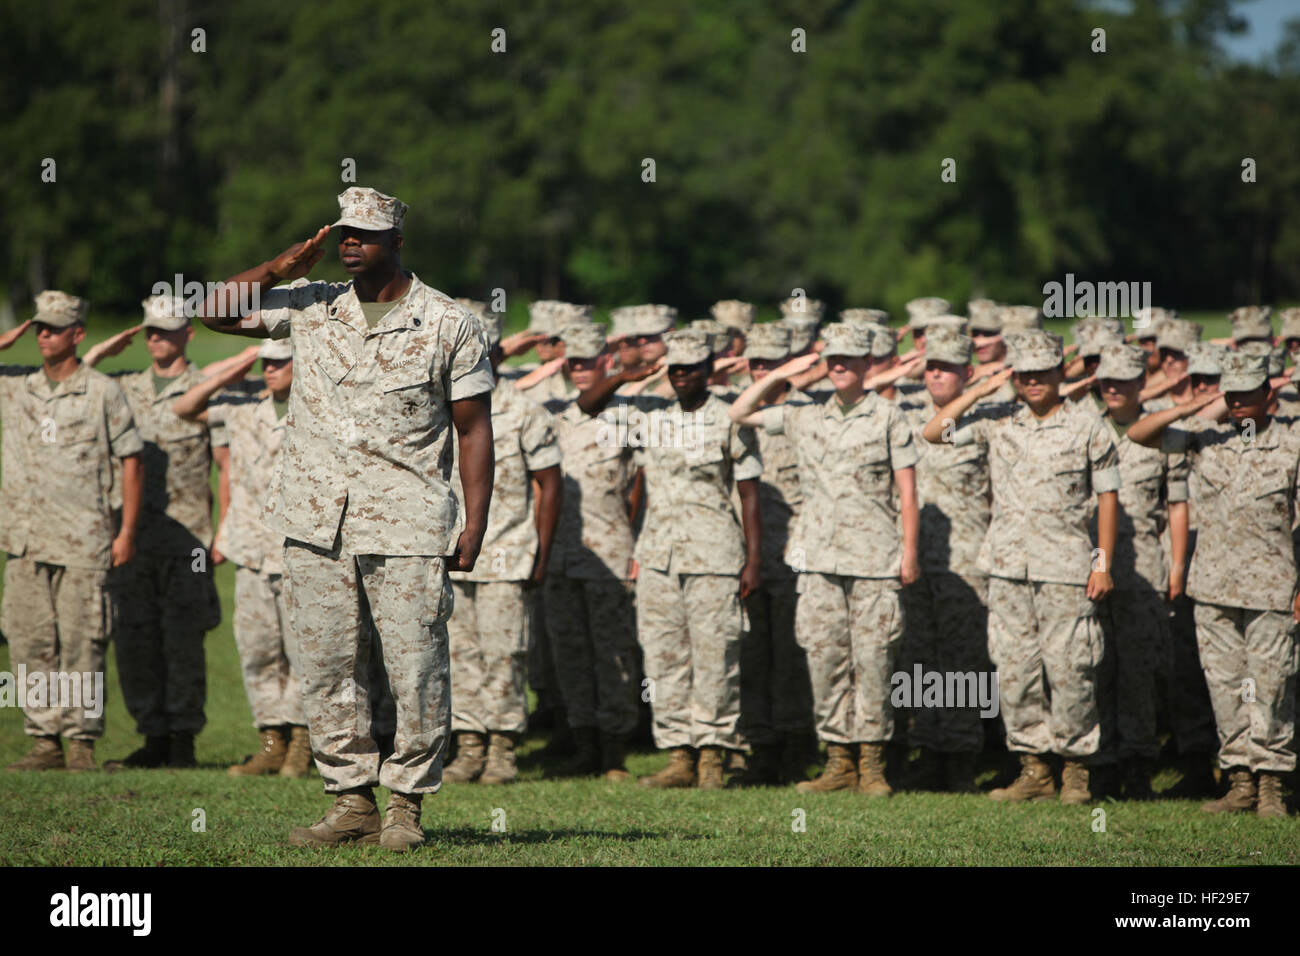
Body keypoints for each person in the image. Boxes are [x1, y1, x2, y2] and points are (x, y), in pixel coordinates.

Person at [195, 186, 495, 851]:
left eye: (365, 233)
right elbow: (209, 313)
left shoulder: (448, 323)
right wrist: (277, 270)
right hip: (316, 522)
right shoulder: (310, 304)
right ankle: (350, 802)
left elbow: (474, 430)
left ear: (396, 242)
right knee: (328, 666)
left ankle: (406, 808)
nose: (351, 243)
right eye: (343, 235)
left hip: (408, 523)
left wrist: (475, 522)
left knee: (416, 667)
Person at [922, 329, 1119, 805]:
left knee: (1071, 669)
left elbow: (1108, 499)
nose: (1032, 382)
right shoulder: (997, 420)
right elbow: (933, 433)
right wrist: (979, 391)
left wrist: (1102, 564)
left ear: (1059, 373)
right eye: (1023, 374)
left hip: (1065, 567)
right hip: (1008, 567)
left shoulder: (1088, 427)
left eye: (1041, 373)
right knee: (1014, 671)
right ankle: (1033, 769)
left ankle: (1075, 770)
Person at [731, 323, 920, 797]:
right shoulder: (804, 416)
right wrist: (790, 372)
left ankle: (872, 764)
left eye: (847, 361)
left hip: (875, 558)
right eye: (831, 361)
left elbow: (908, 490)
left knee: (874, 661)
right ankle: (838, 762)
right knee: (825, 659)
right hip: (817, 560)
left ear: (866, 365)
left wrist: (909, 551)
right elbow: (740, 411)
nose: (838, 368)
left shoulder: (888, 417)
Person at [578, 327, 762, 789]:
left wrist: (753, 559)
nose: (681, 377)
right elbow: (587, 407)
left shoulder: (729, 416)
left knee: (716, 654)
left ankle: (714, 756)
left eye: (690, 369)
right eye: (675, 369)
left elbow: (749, 491)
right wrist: (626, 374)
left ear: (708, 371)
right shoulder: (648, 413)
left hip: (715, 554)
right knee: (664, 658)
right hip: (658, 555)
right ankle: (679, 755)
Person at [1128, 350, 1300, 817]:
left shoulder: (1292, 440)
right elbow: (1138, 434)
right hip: (1214, 589)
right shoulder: (1205, 437)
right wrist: (1192, 407)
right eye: (1233, 393)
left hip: (1273, 587)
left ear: (1270, 393)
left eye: (1249, 393)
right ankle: (1239, 780)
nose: (1240, 402)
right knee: (1226, 688)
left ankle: (1272, 786)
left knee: (1271, 685)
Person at [0, 293, 143, 772]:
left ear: (78, 334)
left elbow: (131, 460)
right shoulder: (15, 389)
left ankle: (80, 740)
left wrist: (126, 532)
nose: (44, 335)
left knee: (84, 642)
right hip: (24, 541)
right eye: (39, 327)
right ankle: (45, 740)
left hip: (84, 539)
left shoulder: (102, 391)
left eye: (55, 328)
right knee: (29, 641)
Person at [86, 295, 222, 769]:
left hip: (190, 540)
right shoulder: (123, 387)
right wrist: (106, 348)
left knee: (183, 639)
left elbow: (225, 465)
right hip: (133, 536)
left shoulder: (205, 387)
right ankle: (152, 736)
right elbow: (77, 373)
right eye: (149, 332)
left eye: (166, 330)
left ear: (188, 333)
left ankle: (183, 739)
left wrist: (221, 534)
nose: (156, 339)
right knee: (135, 638)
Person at [171, 339, 312, 778]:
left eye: (280, 362)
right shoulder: (241, 401)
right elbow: (184, 406)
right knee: (257, 649)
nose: (270, 369)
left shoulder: (318, 401)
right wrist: (240, 363)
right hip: (251, 545)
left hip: (303, 546)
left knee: (305, 651)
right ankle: (271, 741)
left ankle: (303, 742)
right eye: (265, 362)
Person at [443, 305, 562, 786]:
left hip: (507, 551)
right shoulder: (442, 406)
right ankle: (469, 746)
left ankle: (503, 749)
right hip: (450, 553)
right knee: (460, 654)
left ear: (493, 352)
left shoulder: (524, 411)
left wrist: (541, 554)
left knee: (506, 653)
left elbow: (550, 486)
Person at [895, 326, 1009, 792]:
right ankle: (929, 748)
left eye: (946, 368)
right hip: (918, 559)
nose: (936, 375)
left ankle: (962, 755)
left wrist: (980, 392)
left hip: (967, 560)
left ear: (968, 371)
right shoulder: (902, 415)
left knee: (964, 661)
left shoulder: (987, 420)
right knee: (921, 659)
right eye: (931, 367)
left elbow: (941, 433)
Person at [542, 323, 643, 780]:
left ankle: (615, 751)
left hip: (610, 552)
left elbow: (645, 484)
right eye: (573, 363)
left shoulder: (629, 417)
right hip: (562, 554)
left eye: (588, 361)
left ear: (606, 361)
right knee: (571, 654)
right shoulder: (554, 416)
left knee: (613, 653)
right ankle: (583, 743)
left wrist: (641, 541)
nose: (580, 370)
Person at [1091, 343, 1188, 799]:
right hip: (1088, 564)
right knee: (1093, 667)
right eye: (1106, 381)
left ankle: (1137, 766)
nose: (1113, 388)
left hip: (1144, 567)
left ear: (1140, 384)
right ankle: (1099, 762)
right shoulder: (1085, 427)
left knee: (1139, 671)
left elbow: (1175, 506)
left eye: (1123, 380)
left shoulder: (1163, 436)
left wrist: (1177, 567)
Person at [726, 322, 816, 786]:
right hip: (746, 553)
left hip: (797, 553)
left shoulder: (806, 413)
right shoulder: (736, 413)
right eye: (754, 363)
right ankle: (757, 746)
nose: (760, 370)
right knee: (752, 655)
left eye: (770, 363)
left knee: (793, 654)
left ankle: (796, 744)